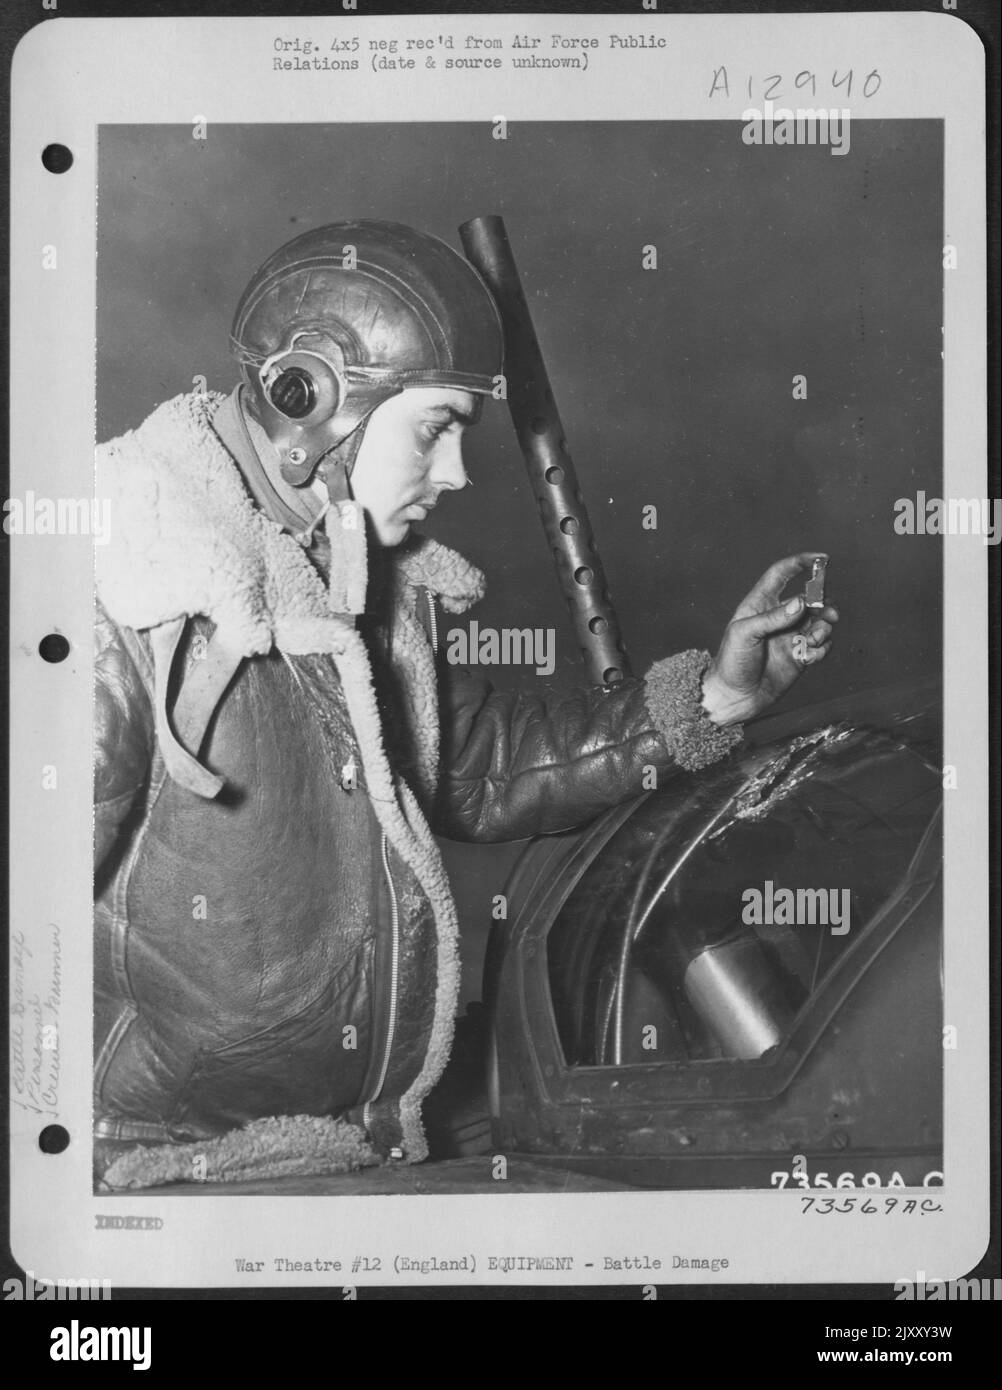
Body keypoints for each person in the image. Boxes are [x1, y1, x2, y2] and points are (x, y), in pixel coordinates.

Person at [93, 221, 838, 1189]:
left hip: (332, 1154)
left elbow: (474, 764)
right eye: (437, 428)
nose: (457, 475)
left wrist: (717, 694)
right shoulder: (121, 586)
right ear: (306, 398)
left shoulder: (351, 582)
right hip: (148, 1181)